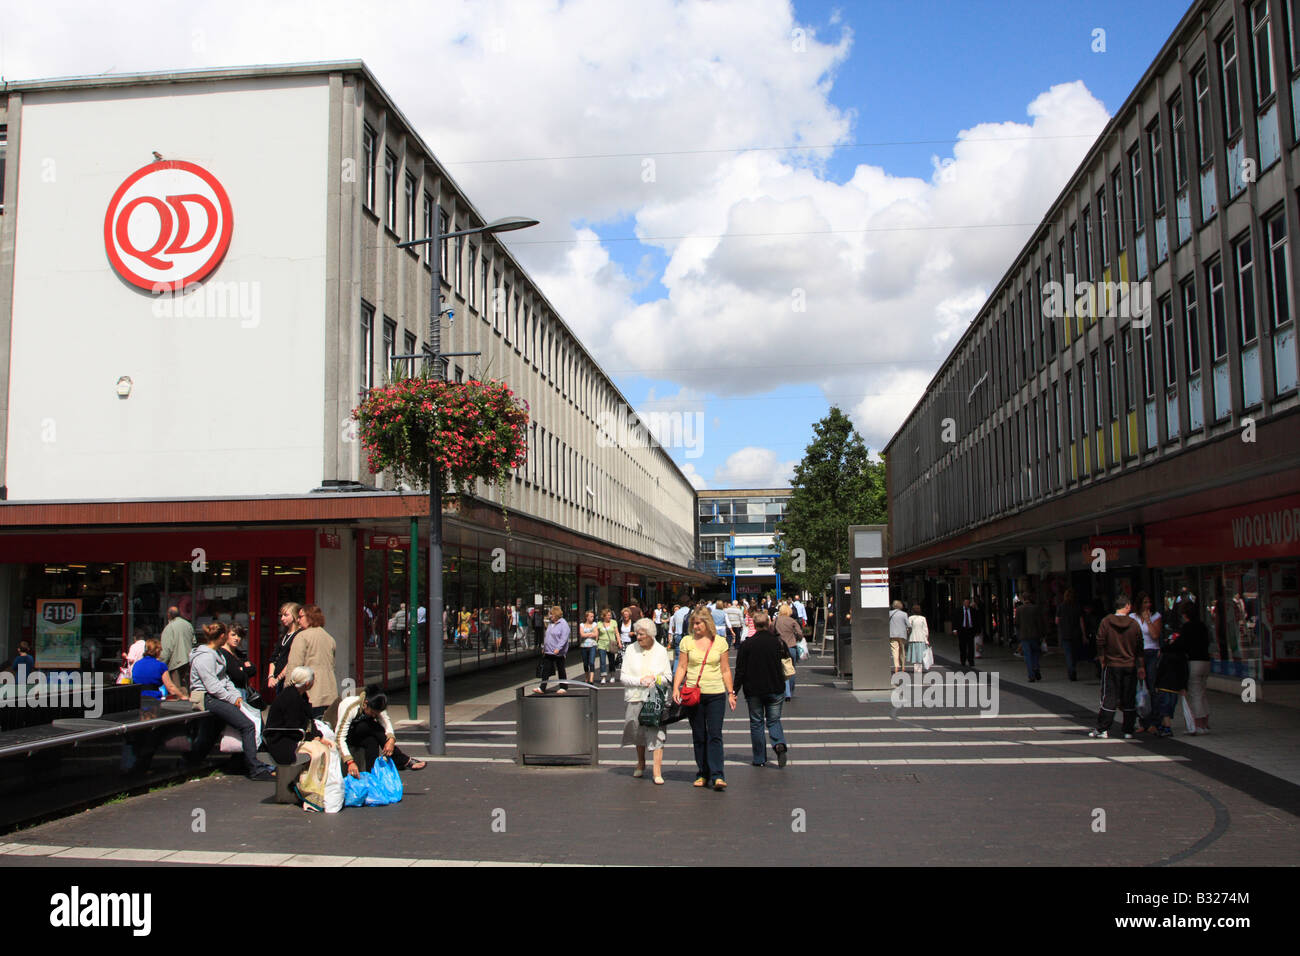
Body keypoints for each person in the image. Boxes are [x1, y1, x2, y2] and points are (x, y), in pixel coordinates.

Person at [189, 622, 275, 779]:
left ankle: (192, 761)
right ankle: (255, 769)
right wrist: (232, 699)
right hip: (207, 697)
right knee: (247, 725)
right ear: (222, 636)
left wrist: (236, 697)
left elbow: (225, 679)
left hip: (217, 696)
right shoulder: (205, 657)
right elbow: (212, 685)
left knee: (211, 732)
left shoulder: (217, 654)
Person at [673, 609, 735, 790]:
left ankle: (717, 774)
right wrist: (676, 687)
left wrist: (730, 692)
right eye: (694, 623)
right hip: (694, 693)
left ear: (708, 624)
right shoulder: (687, 641)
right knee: (699, 734)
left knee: (715, 734)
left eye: (699, 623)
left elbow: (725, 669)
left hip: (715, 693)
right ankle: (702, 772)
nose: (695, 626)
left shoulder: (720, 642)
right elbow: (682, 666)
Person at [733, 610, 790, 768]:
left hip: (754, 689)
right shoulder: (777, 642)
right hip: (775, 687)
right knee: (774, 720)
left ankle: (759, 758)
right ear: (769, 623)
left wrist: (734, 690)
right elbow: (787, 661)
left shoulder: (747, 645)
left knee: (756, 723)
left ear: (754, 624)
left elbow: (740, 670)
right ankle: (778, 743)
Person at [621, 618, 673, 784]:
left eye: (642, 634)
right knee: (638, 732)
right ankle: (641, 762)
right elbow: (623, 676)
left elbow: (667, 677)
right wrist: (639, 681)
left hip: (655, 698)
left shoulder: (661, 651)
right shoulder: (630, 650)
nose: (638, 637)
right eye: (637, 634)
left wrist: (655, 679)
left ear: (651, 635)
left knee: (657, 733)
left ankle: (657, 770)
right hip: (636, 696)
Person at [1089, 595, 1145, 739]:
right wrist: (1141, 666)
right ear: (1127, 606)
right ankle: (1128, 729)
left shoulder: (1106, 621)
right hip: (1130, 664)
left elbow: (1100, 642)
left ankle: (1103, 728)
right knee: (1129, 697)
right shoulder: (1134, 624)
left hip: (1112, 663)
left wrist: (1102, 660)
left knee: (1109, 697)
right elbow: (1140, 646)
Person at [336, 687, 425, 774]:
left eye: (377, 713)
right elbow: (339, 737)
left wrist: (391, 740)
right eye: (373, 713)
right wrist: (350, 761)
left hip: (359, 733)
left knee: (372, 740)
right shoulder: (350, 706)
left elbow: (385, 721)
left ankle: (372, 773)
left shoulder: (375, 704)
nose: (375, 716)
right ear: (365, 704)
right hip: (340, 734)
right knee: (371, 725)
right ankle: (400, 759)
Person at [286, 605, 339, 722]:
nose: (298, 620)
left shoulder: (302, 636)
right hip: (330, 692)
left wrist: (287, 691)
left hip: (310, 693)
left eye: (300, 616)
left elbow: (294, 667)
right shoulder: (329, 638)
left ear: (310, 617)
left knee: (310, 732)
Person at [1177, 602, 1212, 735]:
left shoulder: (1187, 627)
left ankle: (1198, 725)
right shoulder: (1202, 626)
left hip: (1194, 662)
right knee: (1202, 693)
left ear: (1185, 614)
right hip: (1205, 661)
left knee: (1195, 693)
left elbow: (1181, 644)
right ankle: (1205, 723)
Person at [1131, 592, 1163, 732]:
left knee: (1152, 686)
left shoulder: (1155, 616)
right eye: (1144, 602)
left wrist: (1148, 620)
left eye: (1149, 602)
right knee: (1140, 688)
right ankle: (1143, 721)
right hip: (1138, 654)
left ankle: (1155, 722)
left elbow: (1155, 635)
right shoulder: (1132, 617)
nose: (1147, 605)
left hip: (1152, 652)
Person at [1153, 623, 1188, 738]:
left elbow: (1160, 670)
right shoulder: (1182, 656)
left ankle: (1166, 728)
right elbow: (1185, 672)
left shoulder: (1165, 655)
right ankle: (1163, 726)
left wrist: (1156, 684)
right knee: (1170, 707)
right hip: (1175, 687)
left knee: (1164, 707)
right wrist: (1183, 686)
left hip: (1164, 685)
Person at [534, 606, 570, 694]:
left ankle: (563, 687)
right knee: (546, 669)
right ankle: (542, 687)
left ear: (556, 615)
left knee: (561, 668)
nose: (550, 616)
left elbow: (564, 638)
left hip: (558, 652)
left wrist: (558, 648)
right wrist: (544, 647)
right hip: (548, 651)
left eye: (552, 614)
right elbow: (547, 636)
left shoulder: (563, 624)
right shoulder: (551, 623)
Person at [267, 602, 302, 693]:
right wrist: (271, 676)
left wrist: (278, 678)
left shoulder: (299, 635)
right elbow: (273, 658)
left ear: (294, 616)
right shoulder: (284, 636)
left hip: (290, 679)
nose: (282, 618)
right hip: (279, 680)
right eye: (281, 615)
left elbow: (293, 660)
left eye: (286, 615)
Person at [774, 602, 804, 700]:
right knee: (791, 669)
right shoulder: (792, 621)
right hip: (791, 647)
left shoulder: (775, 621)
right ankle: (789, 691)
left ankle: (784, 691)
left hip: (778, 647)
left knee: (780, 670)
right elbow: (800, 634)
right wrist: (797, 638)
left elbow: (770, 631)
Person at [1056, 589, 1085, 681]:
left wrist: (1062, 625)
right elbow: (1081, 621)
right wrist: (1084, 634)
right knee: (1074, 653)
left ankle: (1071, 670)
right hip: (1076, 634)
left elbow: (1057, 620)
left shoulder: (1061, 606)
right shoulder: (1077, 607)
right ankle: (1073, 668)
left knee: (1068, 654)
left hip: (1065, 634)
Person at [221, 624, 257, 695]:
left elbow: (253, 670)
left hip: (243, 690)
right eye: (233, 635)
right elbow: (236, 675)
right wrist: (244, 669)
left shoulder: (239, 653)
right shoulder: (222, 653)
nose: (236, 638)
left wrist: (242, 669)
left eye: (239, 636)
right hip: (230, 692)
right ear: (226, 635)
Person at [1016, 593, 1044, 681]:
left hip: (1024, 636)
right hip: (1035, 635)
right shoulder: (1035, 608)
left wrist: (1019, 634)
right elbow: (1040, 622)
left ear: (1023, 599)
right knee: (1036, 653)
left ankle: (1031, 675)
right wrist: (1042, 634)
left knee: (1027, 655)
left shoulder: (1019, 609)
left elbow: (1017, 623)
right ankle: (1036, 668)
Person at [160, 605, 195, 673]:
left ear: (169, 615)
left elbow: (166, 650)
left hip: (175, 665)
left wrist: (161, 664)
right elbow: (193, 642)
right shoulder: (188, 625)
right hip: (188, 662)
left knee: (176, 683)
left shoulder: (169, 628)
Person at [596, 608, 619, 683]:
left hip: (611, 643)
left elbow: (616, 633)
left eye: (610, 615)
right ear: (604, 616)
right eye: (608, 615)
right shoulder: (599, 624)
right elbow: (597, 634)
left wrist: (619, 641)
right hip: (601, 644)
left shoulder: (614, 622)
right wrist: (596, 643)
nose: (610, 616)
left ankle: (612, 675)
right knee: (602, 661)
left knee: (611, 660)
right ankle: (603, 677)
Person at [953, 597, 977, 670]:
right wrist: (954, 629)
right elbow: (955, 620)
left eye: (968, 603)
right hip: (962, 630)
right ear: (963, 603)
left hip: (970, 630)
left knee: (971, 646)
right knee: (962, 646)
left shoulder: (973, 610)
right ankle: (963, 660)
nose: (967, 604)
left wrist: (977, 630)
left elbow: (976, 620)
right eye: (966, 603)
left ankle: (971, 661)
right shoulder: (958, 610)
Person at [906, 604, 930, 675]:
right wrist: (926, 638)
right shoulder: (923, 618)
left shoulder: (910, 618)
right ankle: (919, 668)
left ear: (912, 611)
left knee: (914, 653)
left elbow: (908, 628)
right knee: (920, 654)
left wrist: (908, 633)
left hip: (913, 638)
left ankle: (916, 668)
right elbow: (925, 630)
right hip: (921, 638)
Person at [578, 610, 599, 684]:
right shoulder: (582, 625)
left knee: (591, 662)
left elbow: (596, 634)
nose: (592, 618)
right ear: (587, 617)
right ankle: (587, 676)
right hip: (584, 646)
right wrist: (591, 633)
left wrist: (587, 634)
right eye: (591, 616)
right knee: (585, 663)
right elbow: (582, 635)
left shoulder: (594, 624)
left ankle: (591, 678)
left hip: (592, 645)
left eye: (593, 616)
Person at [888, 600, 908, 675]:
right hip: (902, 635)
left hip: (892, 634)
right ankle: (903, 666)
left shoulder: (889, 613)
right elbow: (908, 624)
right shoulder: (904, 614)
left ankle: (896, 666)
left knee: (894, 650)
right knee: (902, 650)